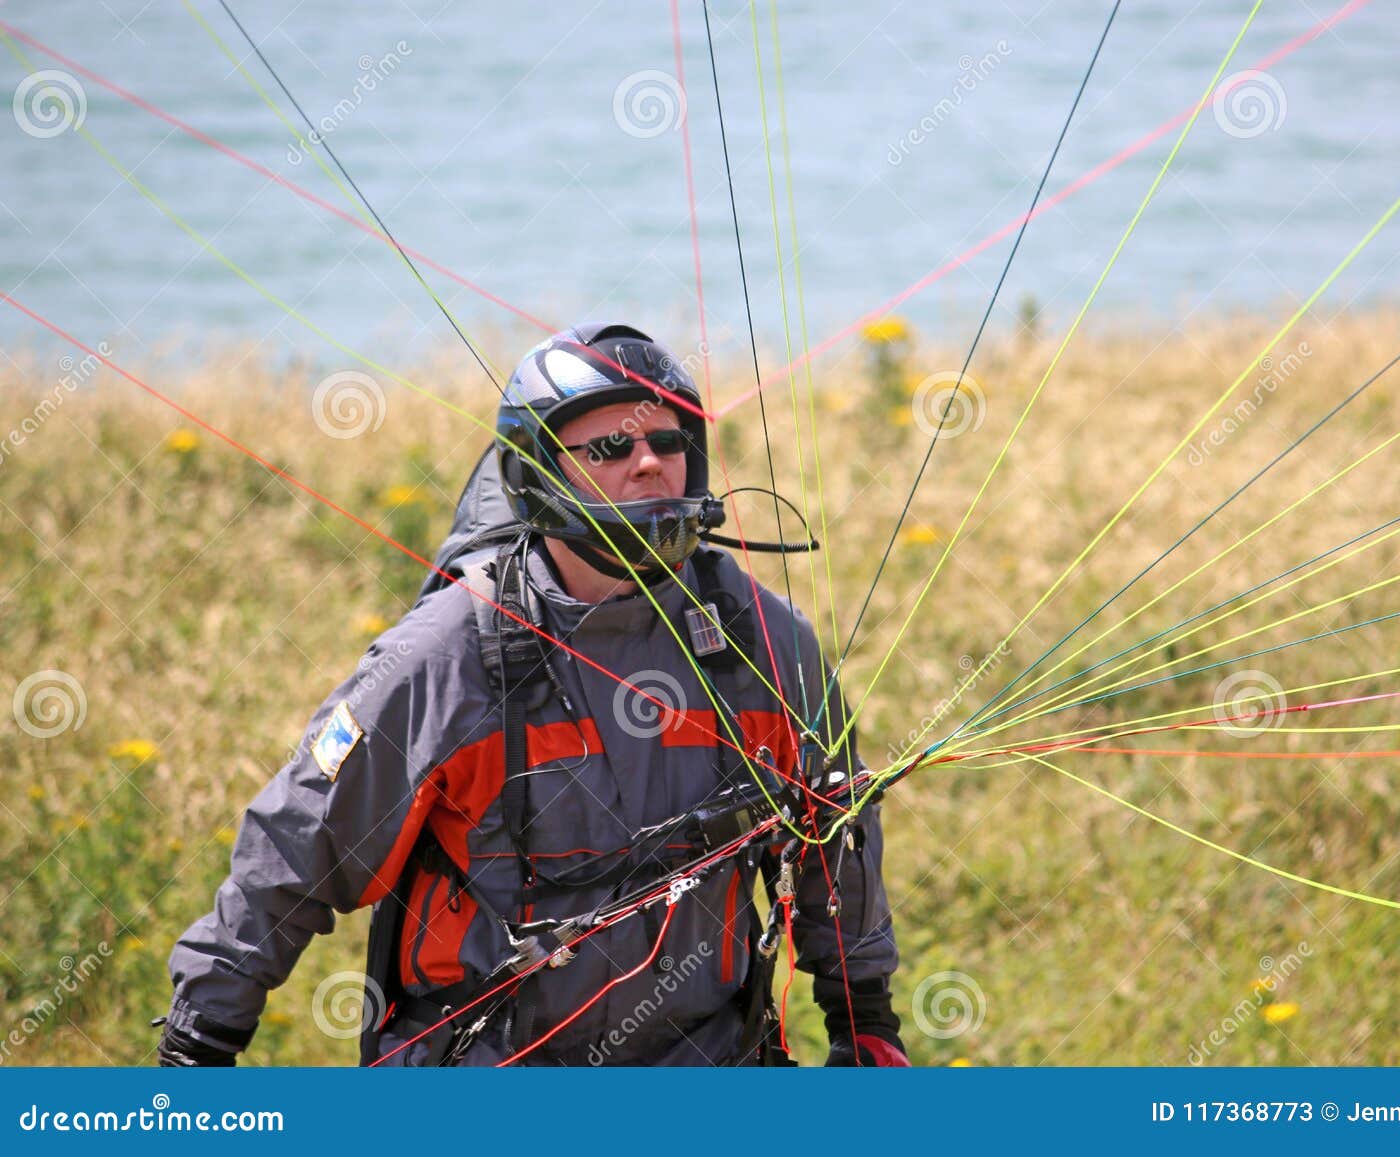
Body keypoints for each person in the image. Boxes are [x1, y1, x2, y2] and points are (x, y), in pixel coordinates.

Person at [157, 322, 908, 1067]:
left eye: (669, 442)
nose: (649, 462)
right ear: (540, 474)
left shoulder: (759, 639)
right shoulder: (449, 653)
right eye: (611, 447)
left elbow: (835, 828)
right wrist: (200, 1044)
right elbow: (296, 848)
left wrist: (863, 1019)